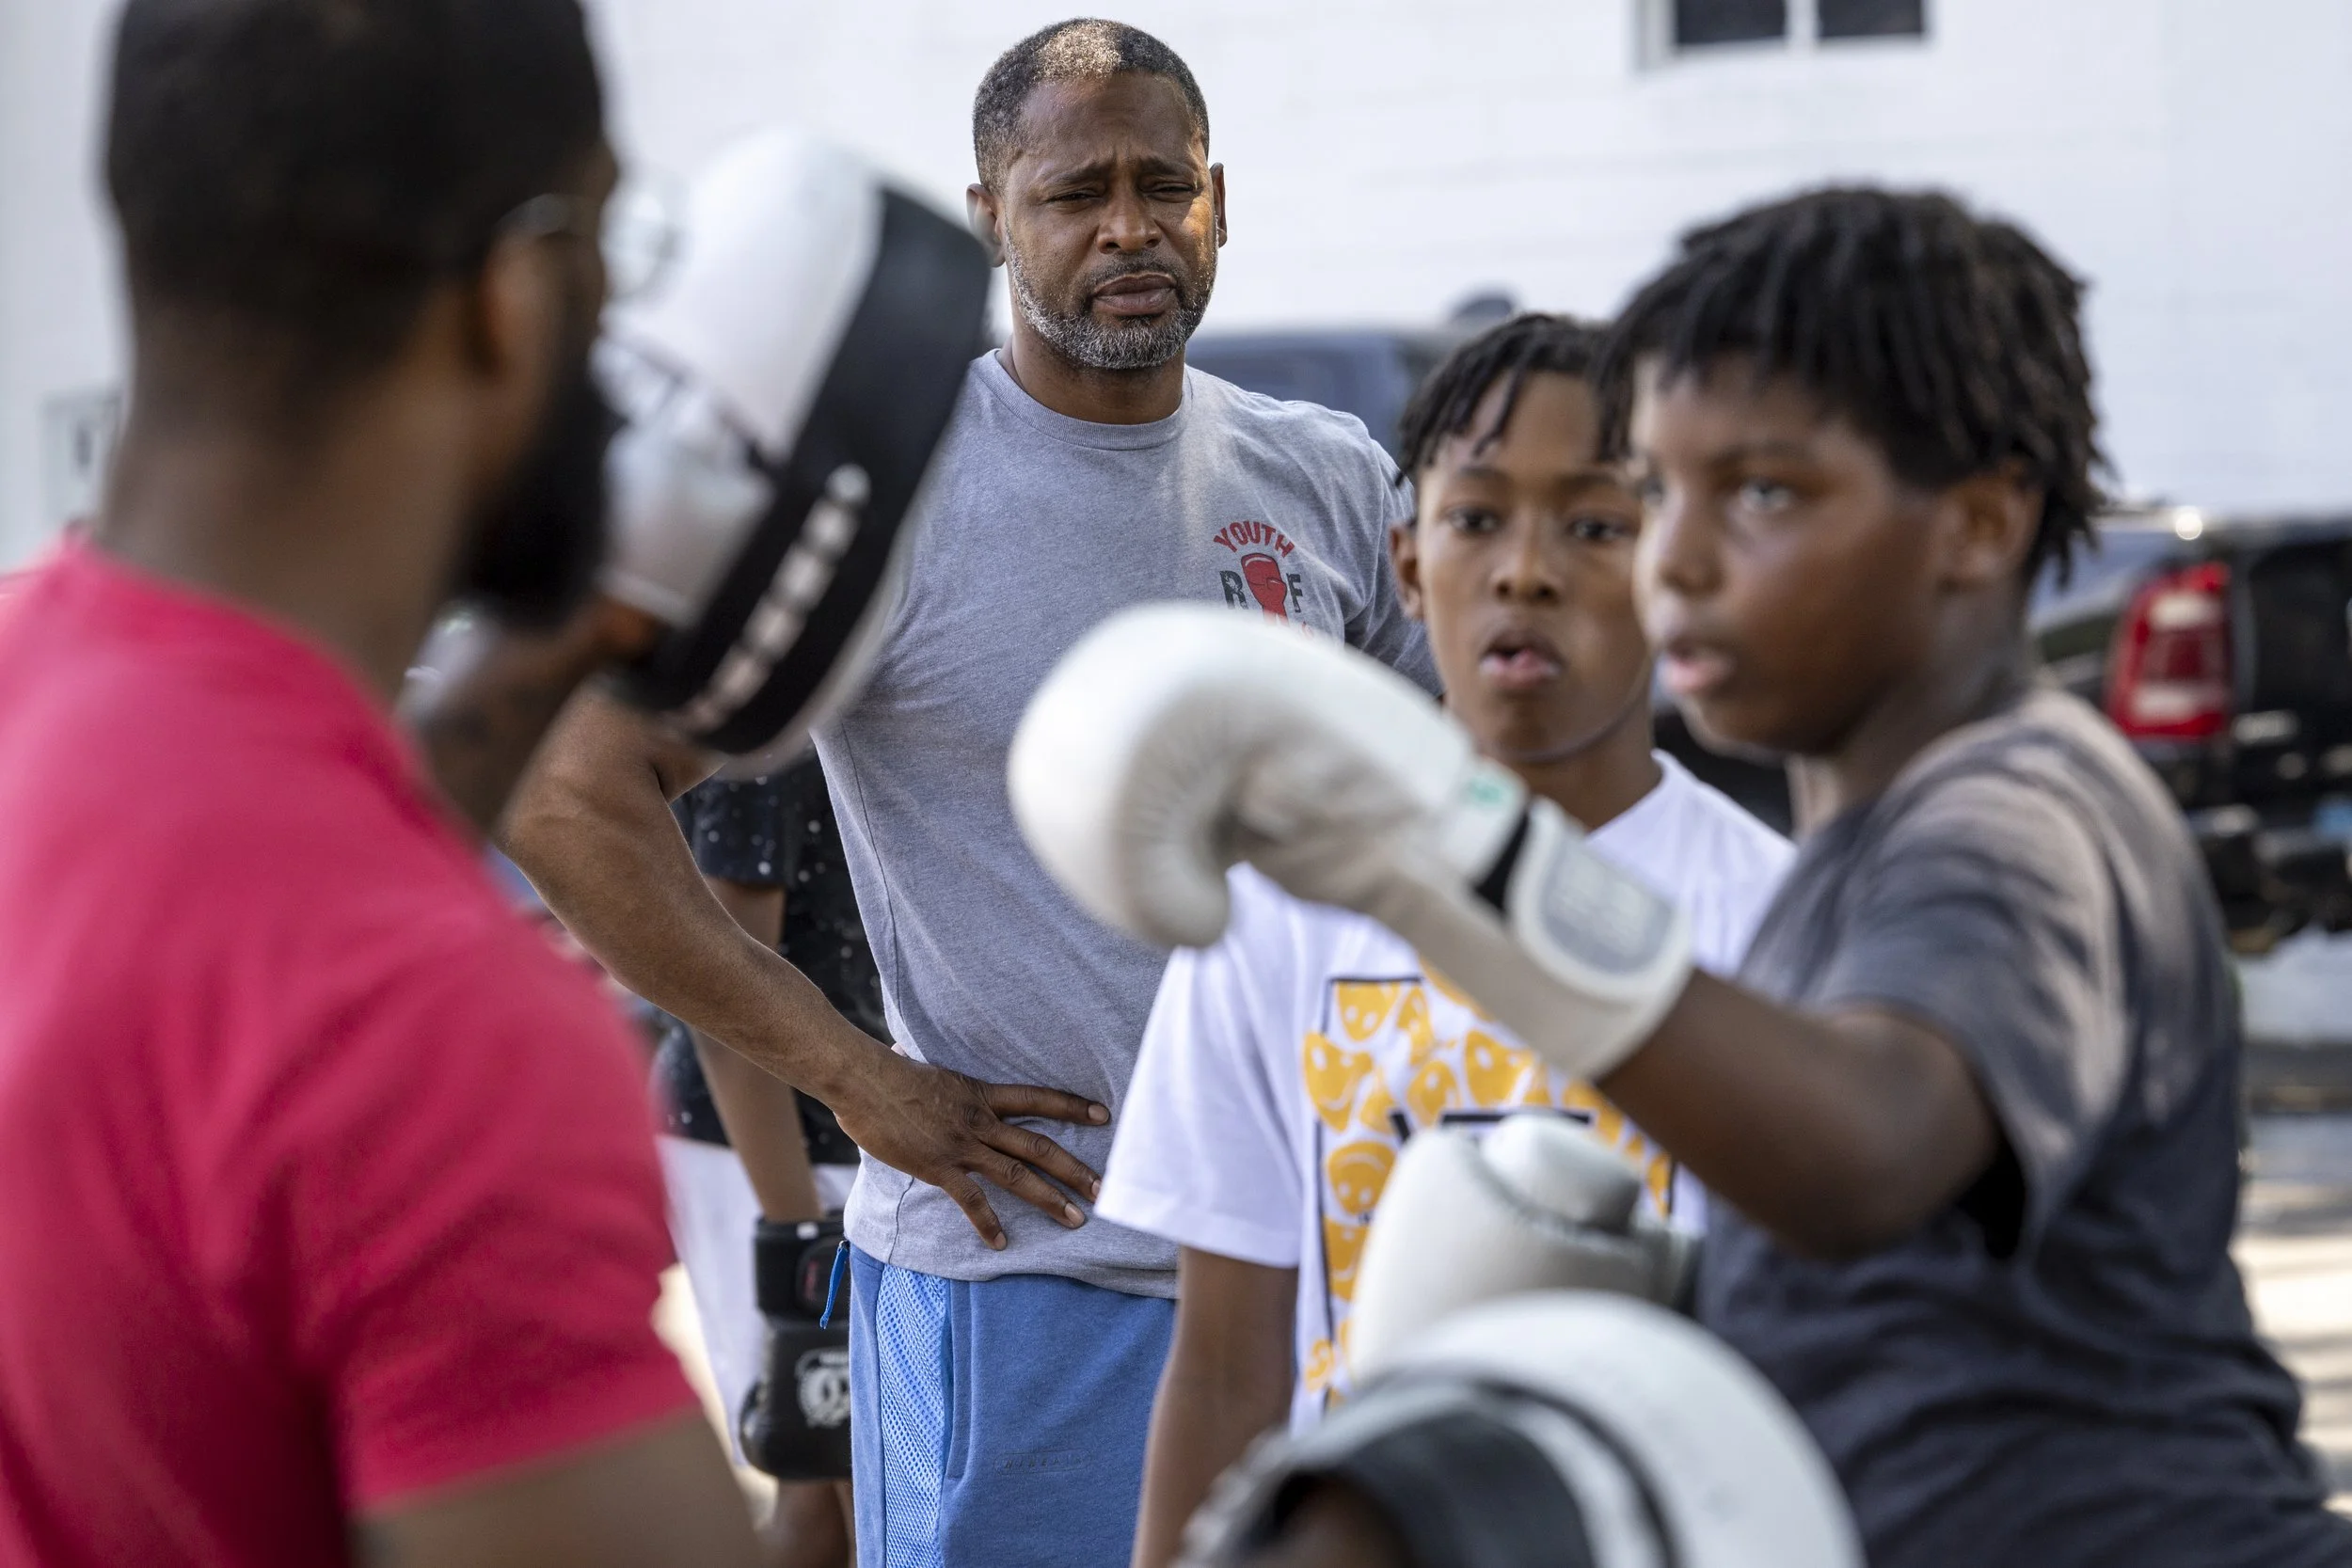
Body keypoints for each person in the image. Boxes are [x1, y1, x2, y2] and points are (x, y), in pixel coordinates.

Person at [1008, 187, 2352, 1568]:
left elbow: (1872, 1144)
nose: (1683, 556)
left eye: (1762, 493)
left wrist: (1451, 853)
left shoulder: (2015, 814)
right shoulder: (1864, 854)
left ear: (1978, 524)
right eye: (1668, 490)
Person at [501, 19, 1435, 1565]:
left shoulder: (1326, 478)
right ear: (994, 213)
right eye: (1074, 193)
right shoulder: (899, 495)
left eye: (1164, 184)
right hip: (1021, 1293)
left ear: (1221, 199)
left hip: (1317, 1275)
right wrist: (857, 1077)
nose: (1129, 226)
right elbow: (568, 798)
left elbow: (1468, 807)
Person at [0, 2, 755, 1562]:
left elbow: (231, 885)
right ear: (518, 294)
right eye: (615, 246)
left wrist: (557, 648)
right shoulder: (441, 1036)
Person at [1093, 313, 1792, 1567]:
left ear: (1674, 566)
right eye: (1479, 519)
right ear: (1408, 569)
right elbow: (1222, 1359)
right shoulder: (1280, 905)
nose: (1527, 570)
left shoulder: (1770, 907)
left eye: (1594, 522)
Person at [654, 761, 870, 1566]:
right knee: (824, 1472)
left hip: (851, 1130)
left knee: (847, 1485)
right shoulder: (766, 740)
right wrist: (795, 1236)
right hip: (762, 1139)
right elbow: (719, 997)